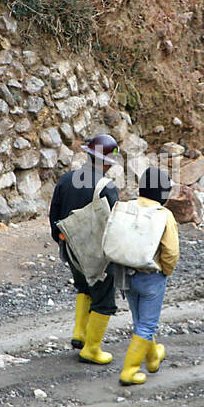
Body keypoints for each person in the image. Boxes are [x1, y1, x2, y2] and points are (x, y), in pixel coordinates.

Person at [49, 134, 120, 365]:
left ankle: (79, 334)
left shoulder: (67, 179)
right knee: (104, 298)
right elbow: (114, 225)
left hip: (70, 249)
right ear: (106, 161)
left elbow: (54, 217)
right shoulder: (106, 186)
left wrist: (63, 242)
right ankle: (92, 348)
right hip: (96, 254)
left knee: (83, 286)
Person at [113, 165, 179, 386]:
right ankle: (129, 371)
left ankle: (152, 359)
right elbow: (170, 251)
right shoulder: (164, 215)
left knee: (140, 321)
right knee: (147, 325)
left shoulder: (126, 207)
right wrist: (166, 271)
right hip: (151, 276)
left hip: (125, 273)